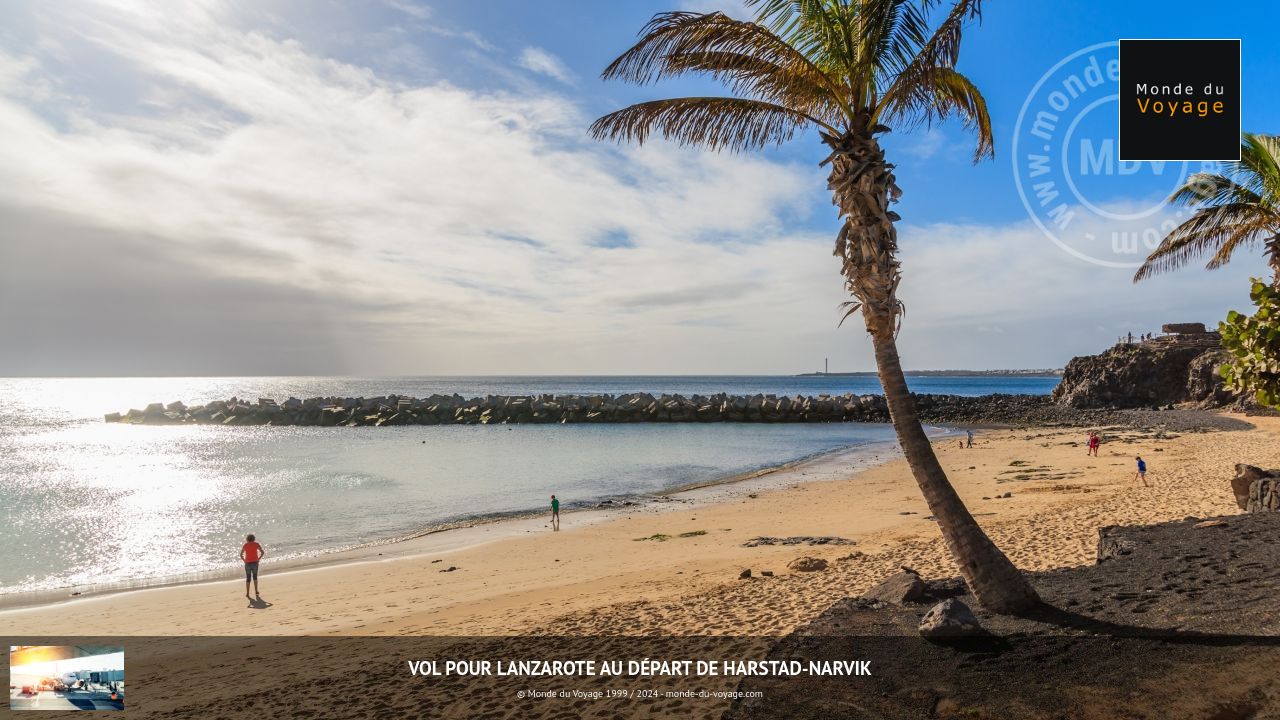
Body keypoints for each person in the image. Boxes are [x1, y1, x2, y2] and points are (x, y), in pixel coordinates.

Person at [240, 533, 265, 598]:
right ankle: (256, 591)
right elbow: (262, 552)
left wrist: (244, 560)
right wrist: (258, 559)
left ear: (247, 539)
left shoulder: (245, 545)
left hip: (247, 563)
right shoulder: (256, 544)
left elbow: (241, 554)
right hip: (255, 562)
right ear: (253, 539)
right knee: (255, 577)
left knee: (248, 578)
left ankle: (247, 593)